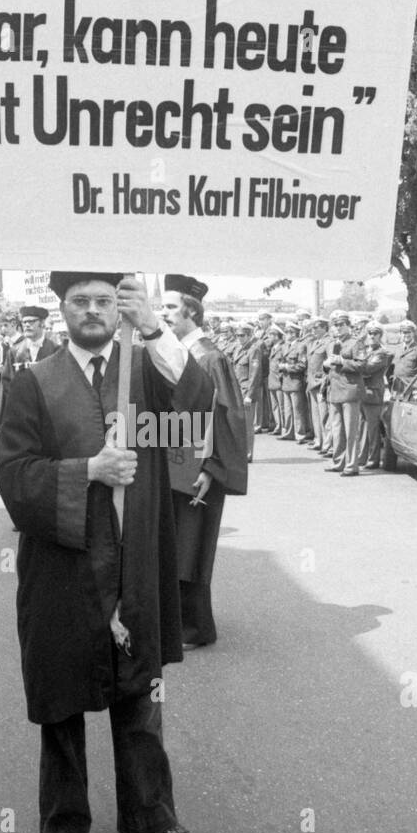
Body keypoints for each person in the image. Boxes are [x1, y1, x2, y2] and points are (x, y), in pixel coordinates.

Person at [0, 272, 213, 833]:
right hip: (65, 564)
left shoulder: (144, 370)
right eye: (79, 301)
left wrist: (153, 327)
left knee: (141, 692)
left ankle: (152, 813)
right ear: (62, 309)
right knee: (62, 698)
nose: (92, 311)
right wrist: (87, 469)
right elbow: (13, 475)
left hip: (134, 557)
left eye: (104, 301)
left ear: (120, 307)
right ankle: (64, 826)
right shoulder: (34, 382)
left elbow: (194, 418)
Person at [162, 274, 248, 648]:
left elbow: (227, 418)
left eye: (169, 307)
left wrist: (211, 468)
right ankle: (178, 623)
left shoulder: (210, 357)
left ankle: (196, 629)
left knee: (192, 547)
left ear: (191, 311)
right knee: (175, 545)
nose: (162, 314)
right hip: (174, 463)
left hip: (200, 469)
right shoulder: (174, 352)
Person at [323, 312, 366, 475]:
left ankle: (351, 465)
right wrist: (325, 365)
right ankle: (339, 461)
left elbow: (362, 365)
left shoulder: (356, 343)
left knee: (351, 430)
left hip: (350, 390)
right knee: (337, 430)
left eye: (341, 324)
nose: (338, 327)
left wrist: (343, 361)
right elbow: (329, 366)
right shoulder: (332, 344)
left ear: (348, 325)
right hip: (335, 390)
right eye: (335, 324)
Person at [357, 323, 390, 469]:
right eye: (369, 333)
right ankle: (362, 457)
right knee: (362, 427)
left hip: (373, 392)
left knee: (372, 429)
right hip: (364, 391)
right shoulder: (365, 350)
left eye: (375, 333)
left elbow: (368, 368)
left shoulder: (381, 353)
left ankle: (373, 458)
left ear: (380, 336)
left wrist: (356, 366)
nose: (371, 336)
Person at [232, 322, 262, 460]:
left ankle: (248, 453)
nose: (239, 338)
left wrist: (249, 395)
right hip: (237, 391)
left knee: (248, 425)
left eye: (242, 335)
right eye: (237, 335)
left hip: (246, 393)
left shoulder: (254, 350)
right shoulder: (238, 349)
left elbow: (254, 375)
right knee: (238, 424)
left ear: (249, 336)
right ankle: (240, 451)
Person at [306, 317, 331, 451]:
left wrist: (324, 381)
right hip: (312, 382)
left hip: (321, 383)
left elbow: (330, 363)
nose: (313, 330)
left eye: (316, 328)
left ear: (324, 328)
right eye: (312, 328)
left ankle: (328, 444)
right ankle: (319, 440)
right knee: (316, 415)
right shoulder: (315, 342)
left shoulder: (328, 342)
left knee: (324, 415)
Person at [388, 320, 417, 389]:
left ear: (414, 333)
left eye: (409, 332)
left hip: (412, 389)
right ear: (400, 334)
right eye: (404, 332)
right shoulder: (397, 348)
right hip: (397, 388)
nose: (406, 335)